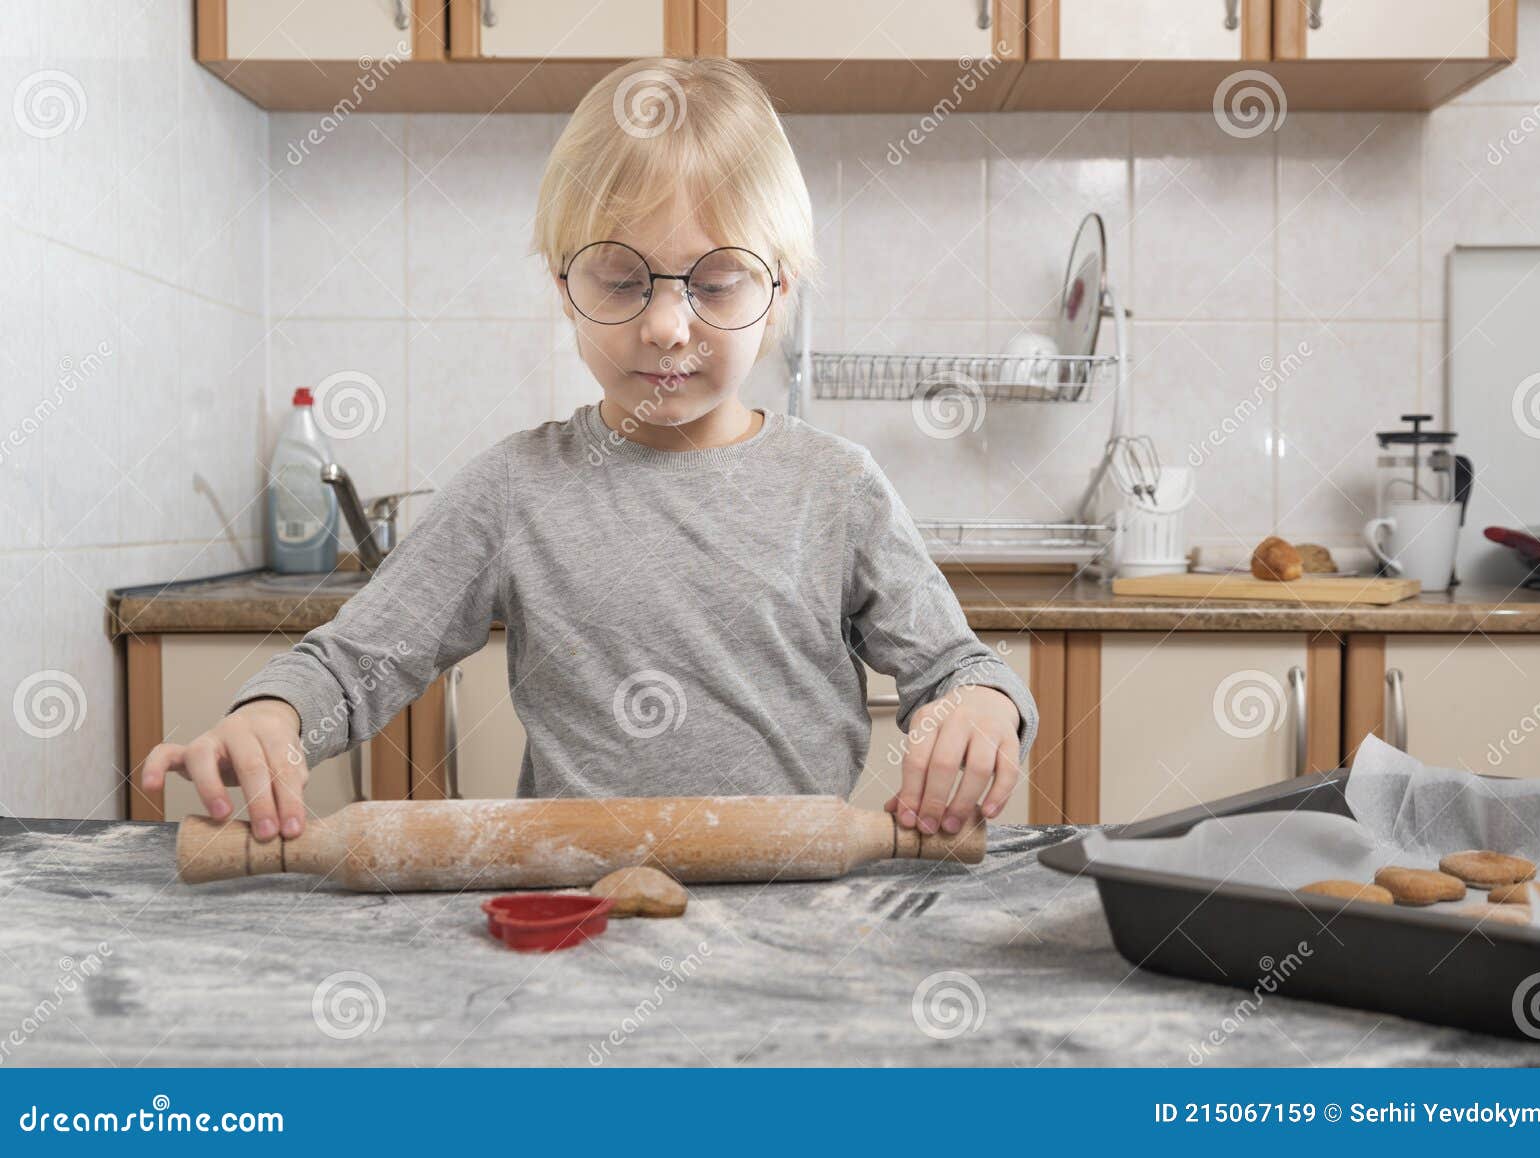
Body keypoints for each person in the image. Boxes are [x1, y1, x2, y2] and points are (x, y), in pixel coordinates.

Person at [139, 57, 1038, 847]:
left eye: (717, 283)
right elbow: (354, 661)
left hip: (794, 905)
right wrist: (273, 715)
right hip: (575, 910)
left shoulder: (837, 488)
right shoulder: (516, 488)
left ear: (778, 289)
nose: (667, 325)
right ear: (564, 286)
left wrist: (981, 707)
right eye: (620, 278)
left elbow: (956, 668)